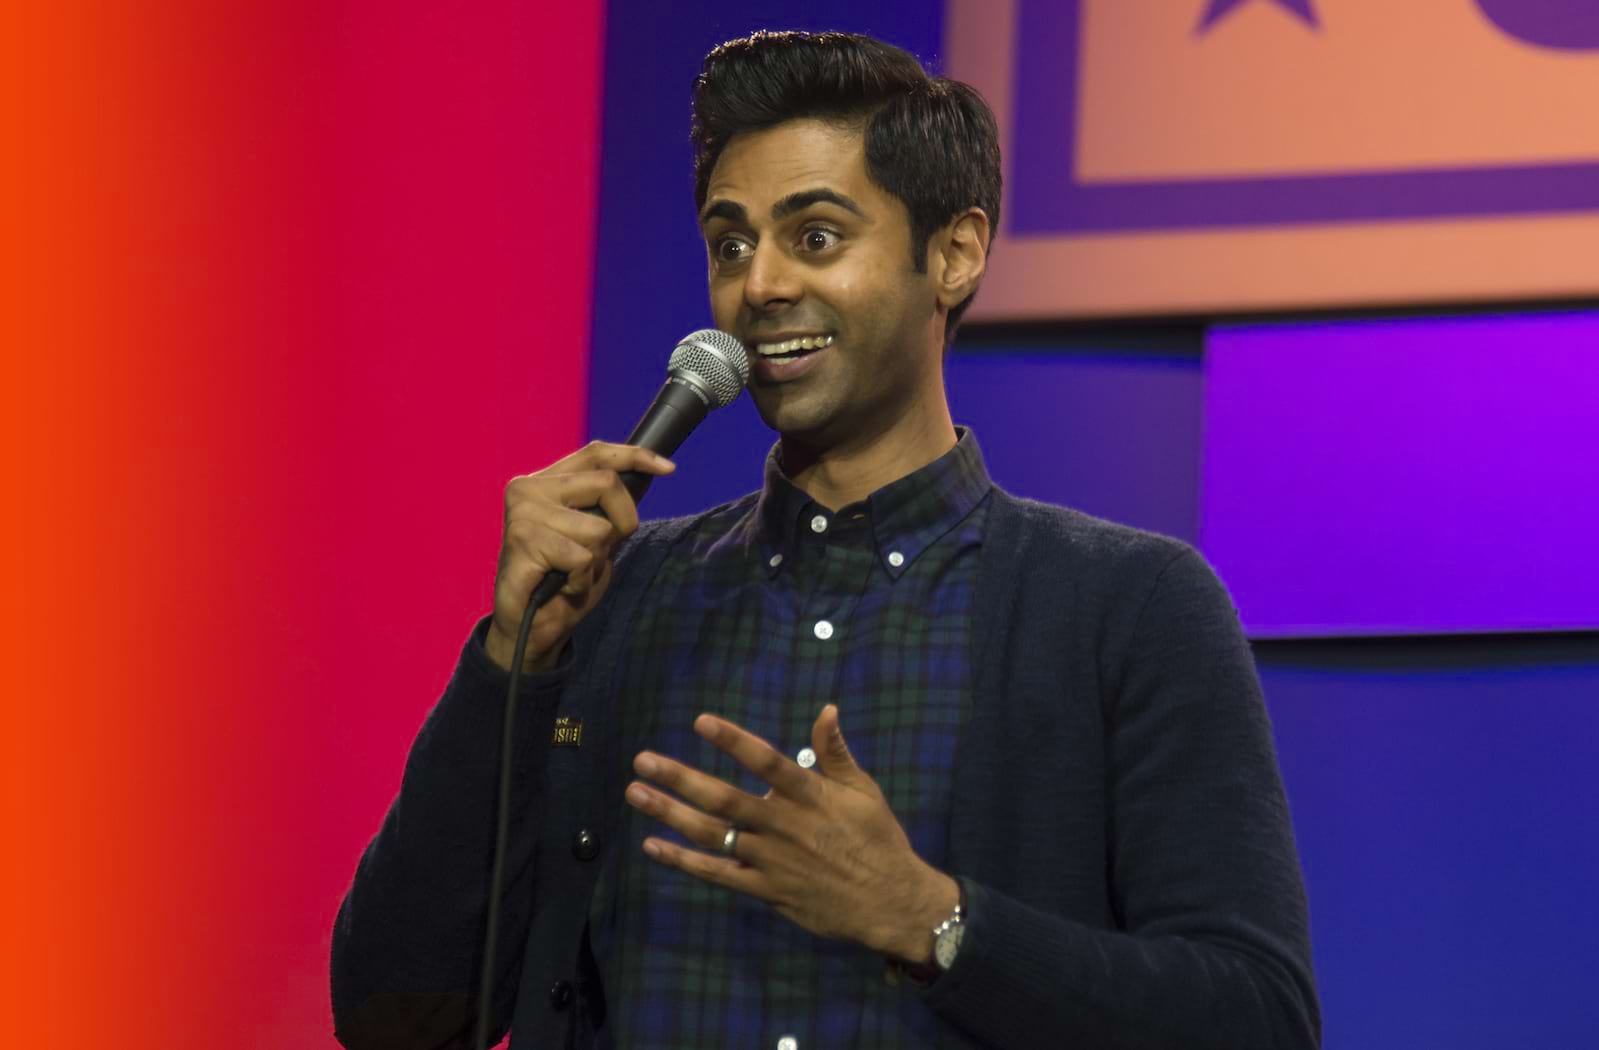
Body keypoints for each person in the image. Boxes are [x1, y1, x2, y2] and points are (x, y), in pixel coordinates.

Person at [331, 30, 1320, 1050]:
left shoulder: (1128, 607)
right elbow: (395, 1016)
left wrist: (929, 920)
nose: (757, 286)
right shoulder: (616, 601)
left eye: (813, 237)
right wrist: (512, 663)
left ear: (955, 253)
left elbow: (1256, 1018)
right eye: (730, 243)